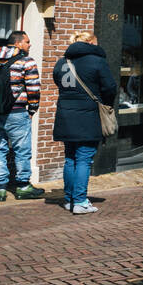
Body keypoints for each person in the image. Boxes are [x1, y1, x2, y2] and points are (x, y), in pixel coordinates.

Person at [51, 33, 117, 216]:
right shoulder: (97, 61)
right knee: (84, 159)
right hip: (88, 116)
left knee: (70, 158)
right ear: (89, 43)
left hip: (65, 115)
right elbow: (110, 87)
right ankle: (80, 201)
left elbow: (57, 81)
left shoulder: (61, 62)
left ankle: (69, 199)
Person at [0, 31, 43, 202]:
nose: (30, 45)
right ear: (18, 43)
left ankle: (0, 189)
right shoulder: (26, 61)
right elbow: (33, 87)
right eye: (27, 42)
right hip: (17, 112)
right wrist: (32, 109)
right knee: (22, 150)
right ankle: (23, 186)